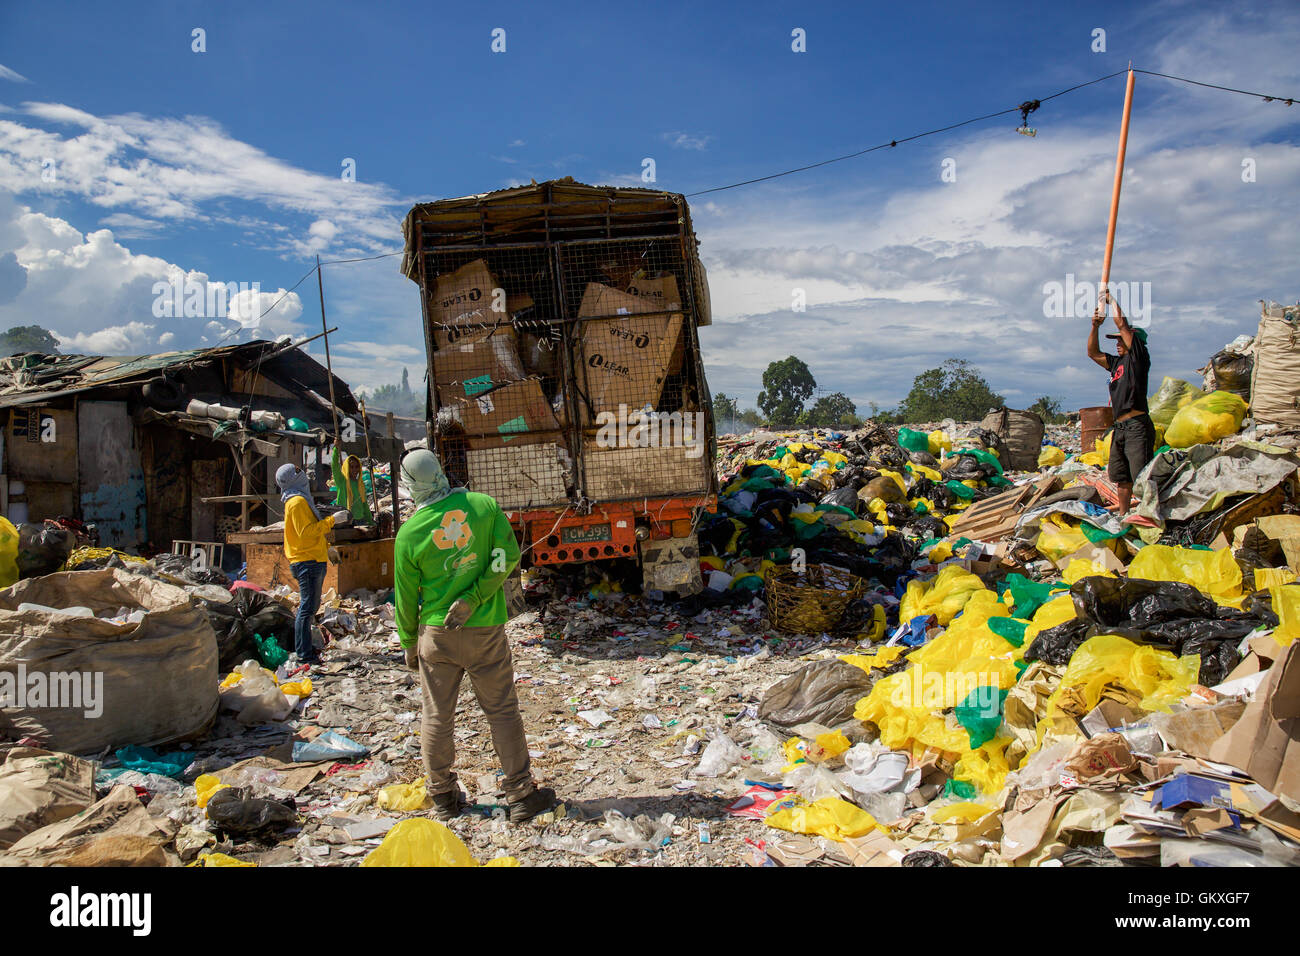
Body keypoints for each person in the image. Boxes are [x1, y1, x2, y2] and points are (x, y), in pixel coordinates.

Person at [393, 449, 556, 824]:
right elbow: (507, 554)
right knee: (501, 712)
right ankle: (519, 796)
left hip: (436, 636)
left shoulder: (410, 534)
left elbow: (405, 597)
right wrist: (474, 598)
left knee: (436, 716)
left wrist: (407, 642)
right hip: (483, 630)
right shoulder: (483, 506)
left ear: (411, 485)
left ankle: (443, 798)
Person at [1087, 289, 1154, 515]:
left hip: (1137, 426)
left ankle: (1149, 514)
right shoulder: (1116, 364)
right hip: (1120, 427)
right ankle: (1124, 516)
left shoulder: (1138, 359)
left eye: (1119, 340)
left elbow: (1123, 326)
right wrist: (1095, 326)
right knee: (1122, 478)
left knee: (1141, 476)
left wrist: (1111, 300)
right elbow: (1093, 354)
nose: (1116, 343)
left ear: (1134, 343)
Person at [275, 463, 350, 666]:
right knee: (307, 608)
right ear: (291, 479)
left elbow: (306, 535)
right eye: (297, 472)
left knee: (311, 606)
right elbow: (306, 532)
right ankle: (304, 654)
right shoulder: (298, 502)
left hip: (312, 558)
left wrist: (327, 549)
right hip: (306, 561)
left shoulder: (298, 500)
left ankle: (306, 650)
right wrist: (332, 521)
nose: (303, 475)